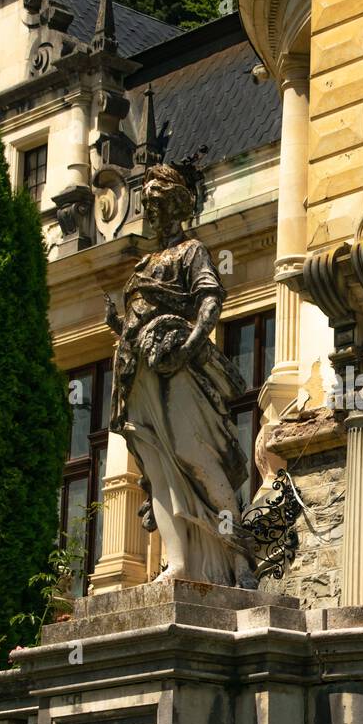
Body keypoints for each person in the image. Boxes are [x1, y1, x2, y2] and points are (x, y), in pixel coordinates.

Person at [103, 163, 256, 588]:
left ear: (176, 204)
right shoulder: (146, 261)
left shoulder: (191, 252)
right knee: (156, 466)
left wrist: (189, 347)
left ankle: (240, 558)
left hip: (176, 368)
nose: (153, 213)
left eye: (158, 204)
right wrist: (120, 326)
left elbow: (210, 302)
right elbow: (141, 318)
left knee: (198, 461)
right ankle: (179, 562)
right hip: (137, 373)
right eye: (149, 206)